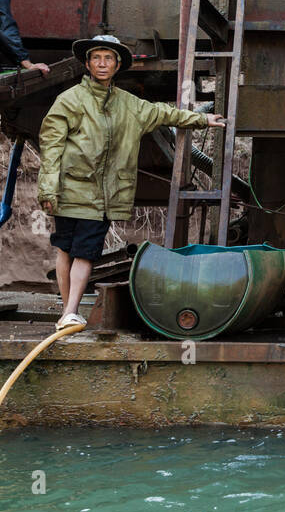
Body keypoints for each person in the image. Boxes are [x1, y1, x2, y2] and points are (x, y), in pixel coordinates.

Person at [38, 35, 224, 329]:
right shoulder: (70, 100)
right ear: (87, 64)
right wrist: (48, 187)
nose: (102, 63)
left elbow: (163, 113)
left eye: (108, 58)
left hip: (102, 195)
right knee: (65, 249)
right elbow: (51, 145)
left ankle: (69, 311)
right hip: (71, 187)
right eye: (97, 58)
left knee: (85, 250)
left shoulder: (129, 104)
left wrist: (202, 119)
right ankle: (68, 312)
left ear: (118, 65)